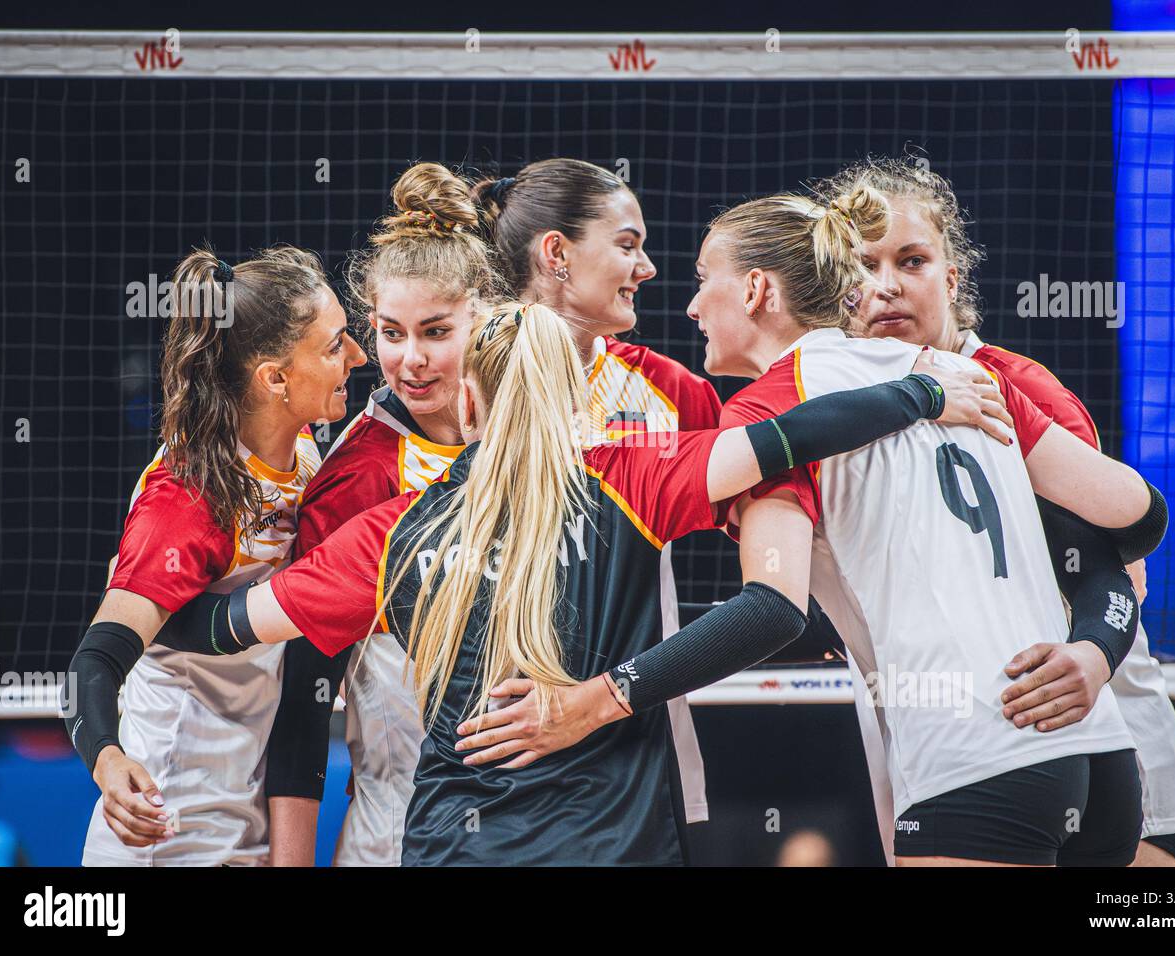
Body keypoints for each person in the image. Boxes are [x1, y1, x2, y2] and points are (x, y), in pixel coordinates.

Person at [76, 281, 1017, 864]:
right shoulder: (633, 479)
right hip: (611, 840)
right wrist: (923, 391)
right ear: (570, 391)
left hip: (449, 840)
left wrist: (208, 581)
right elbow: (784, 439)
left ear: (471, 394)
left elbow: (216, 629)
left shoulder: (394, 531)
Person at [458, 182, 1169, 868]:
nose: (693, 305)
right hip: (1099, 755)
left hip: (978, 748)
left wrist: (596, 700)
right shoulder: (969, 378)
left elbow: (770, 610)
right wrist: (1086, 639)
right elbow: (1138, 514)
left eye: (706, 279)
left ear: (757, 290)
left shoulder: (771, 409)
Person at [831, 155, 1175, 867]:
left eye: (912, 261)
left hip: (1101, 744)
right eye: (863, 266)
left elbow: (1123, 574)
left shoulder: (1014, 386)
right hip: (950, 751)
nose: (885, 286)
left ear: (953, 277)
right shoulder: (849, 404)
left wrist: (1093, 656)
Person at [66, 246, 367, 863]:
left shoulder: (306, 454)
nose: (358, 357)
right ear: (274, 378)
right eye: (335, 345)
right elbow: (92, 663)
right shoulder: (187, 499)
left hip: (246, 815)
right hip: (168, 829)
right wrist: (107, 758)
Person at [471, 158, 723, 825]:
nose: (647, 270)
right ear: (556, 253)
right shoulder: (455, 383)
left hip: (634, 751)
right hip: (479, 753)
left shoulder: (675, 393)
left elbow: (775, 543)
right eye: (627, 245)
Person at [261, 163, 493, 866]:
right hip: (400, 833)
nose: (410, 360)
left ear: (484, 317)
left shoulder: (538, 440)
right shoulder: (357, 477)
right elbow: (304, 695)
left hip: (546, 826)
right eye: (391, 333)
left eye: (436, 332)